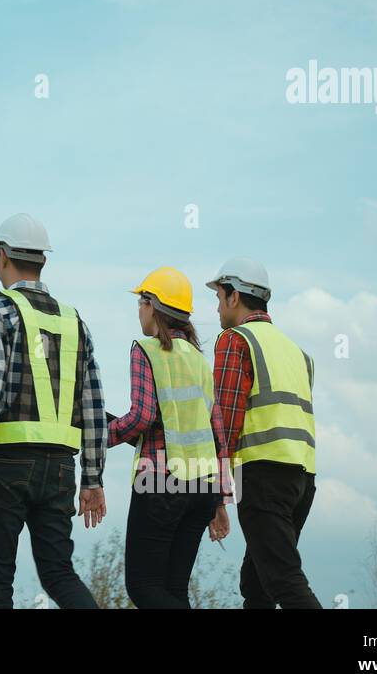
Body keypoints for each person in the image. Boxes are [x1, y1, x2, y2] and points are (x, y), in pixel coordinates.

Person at [0, 213, 106, 609]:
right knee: (59, 573)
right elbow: (93, 403)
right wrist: (93, 478)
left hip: (5, 463)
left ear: (2, 256)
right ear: (43, 260)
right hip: (60, 469)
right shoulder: (75, 321)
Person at [207, 257, 322, 609]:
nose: (216, 307)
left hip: (263, 476)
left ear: (233, 296)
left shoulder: (234, 340)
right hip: (302, 481)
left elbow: (224, 421)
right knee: (257, 586)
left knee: (283, 580)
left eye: (219, 296)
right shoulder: (299, 354)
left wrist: (216, 494)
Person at [106, 266, 224, 608]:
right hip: (203, 487)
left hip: (161, 483)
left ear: (152, 305)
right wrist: (220, 499)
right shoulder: (200, 360)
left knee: (143, 588)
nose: (138, 311)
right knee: (173, 592)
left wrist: (101, 436)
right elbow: (217, 433)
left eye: (141, 302)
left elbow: (142, 416)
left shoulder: (147, 350)